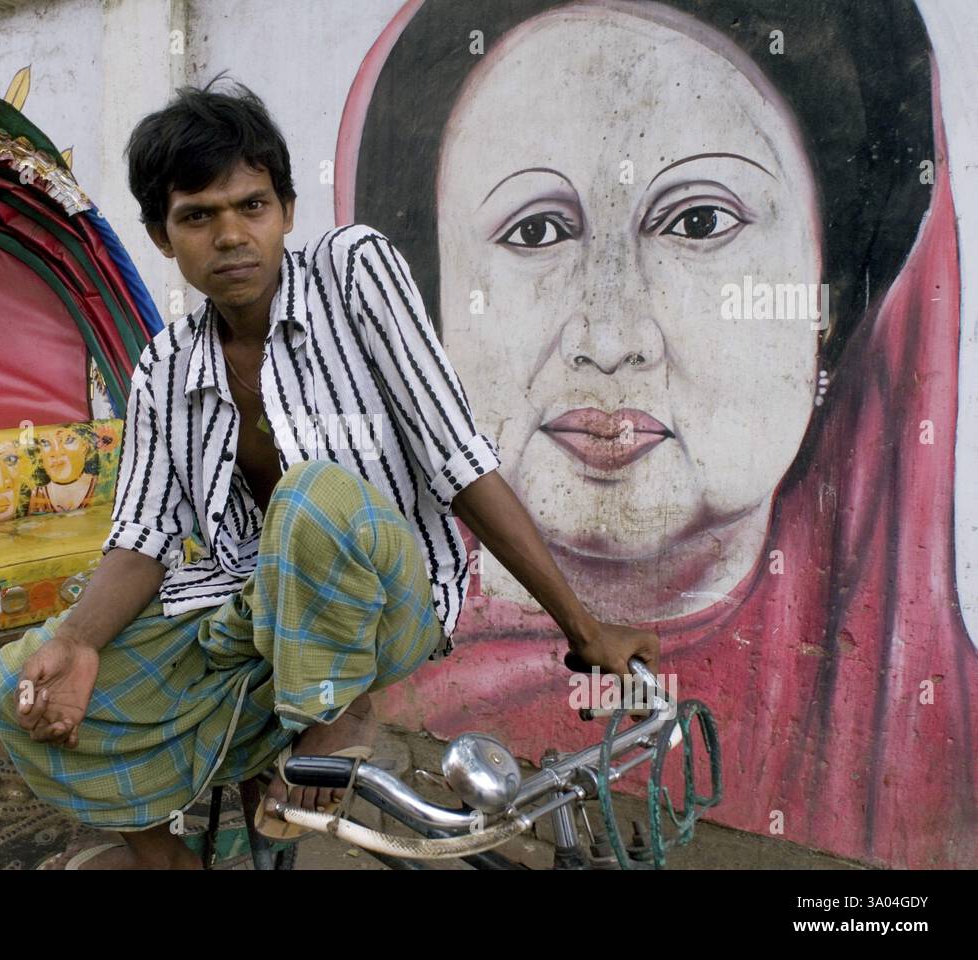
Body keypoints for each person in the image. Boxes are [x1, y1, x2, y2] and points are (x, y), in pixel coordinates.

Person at [340, 0, 977, 867]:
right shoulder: (362, 692)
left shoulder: (937, 742)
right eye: (535, 231)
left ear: (831, 303)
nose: (607, 339)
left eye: (700, 222)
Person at [0, 76, 659, 869]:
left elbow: (457, 458)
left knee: (308, 495)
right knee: (16, 685)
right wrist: (79, 644)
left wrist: (583, 628)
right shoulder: (165, 366)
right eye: (198, 217)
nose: (231, 235)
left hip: (386, 599)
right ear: (164, 239)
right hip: (260, 607)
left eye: (252, 207)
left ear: (287, 212)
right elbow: (143, 539)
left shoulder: (352, 271)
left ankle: (333, 711)